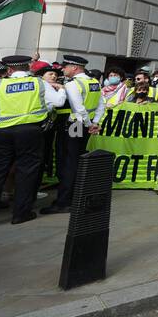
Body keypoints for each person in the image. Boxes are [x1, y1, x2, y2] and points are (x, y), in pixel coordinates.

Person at [0, 54, 64, 230]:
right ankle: (21, 214)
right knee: (27, 172)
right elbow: (58, 102)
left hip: (1, 132)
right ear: (28, 67)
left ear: (8, 69)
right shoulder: (39, 83)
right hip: (30, 132)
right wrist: (60, 89)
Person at [46, 55, 105, 215]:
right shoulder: (93, 82)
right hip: (85, 125)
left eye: (65, 66)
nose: (63, 69)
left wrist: (88, 124)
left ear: (75, 68)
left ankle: (64, 201)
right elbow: (101, 105)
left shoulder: (73, 85)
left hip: (75, 125)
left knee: (68, 162)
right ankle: (74, 197)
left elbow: (79, 109)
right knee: (77, 159)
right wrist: (95, 123)